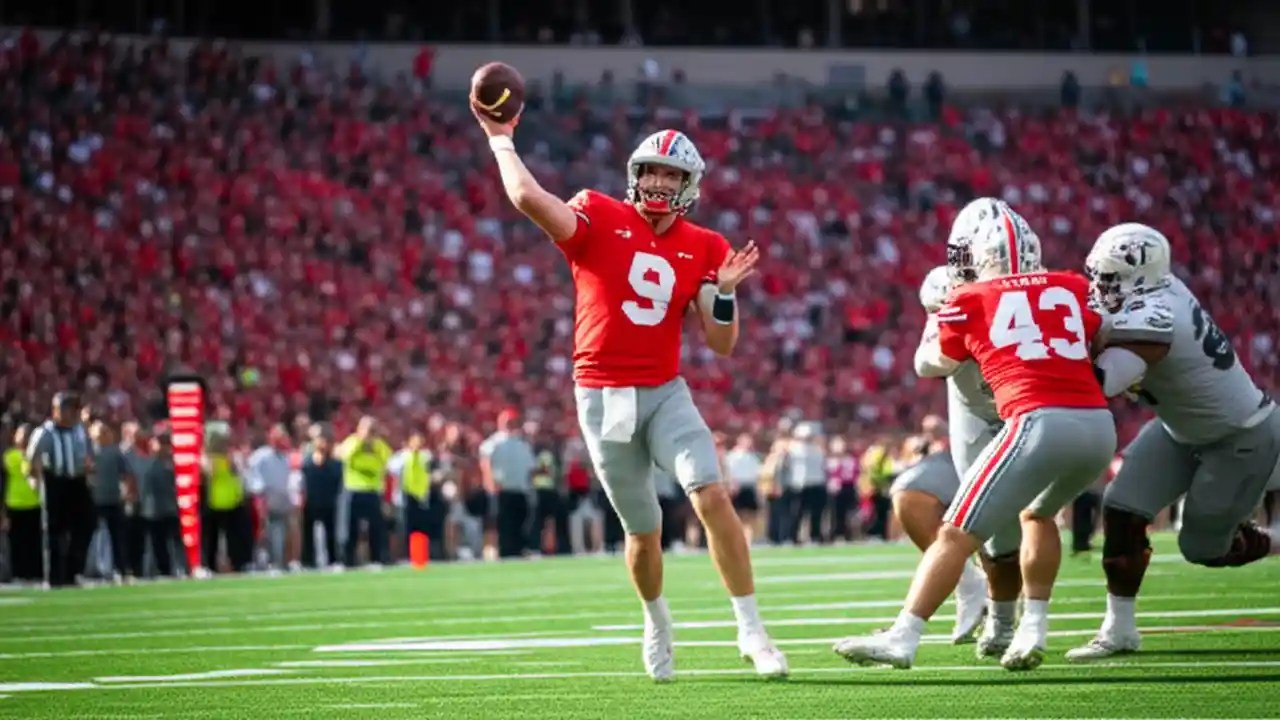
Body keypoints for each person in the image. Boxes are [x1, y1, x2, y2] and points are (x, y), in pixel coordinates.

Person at [475, 102, 787, 680]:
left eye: (672, 174)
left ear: (689, 184)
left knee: (710, 494)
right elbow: (528, 200)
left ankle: (751, 628)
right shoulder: (597, 213)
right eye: (652, 171)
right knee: (644, 533)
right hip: (603, 396)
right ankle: (656, 617)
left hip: (666, 390)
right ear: (635, 176)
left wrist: (722, 293)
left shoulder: (707, 245)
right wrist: (500, 139)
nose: (660, 182)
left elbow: (722, 344)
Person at [834, 198, 1115, 671]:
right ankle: (1032, 629)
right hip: (1096, 425)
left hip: (1034, 420)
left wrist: (950, 318)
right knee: (1039, 516)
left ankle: (904, 636)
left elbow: (930, 363)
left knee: (955, 532)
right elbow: (1099, 335)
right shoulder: (1070, 284)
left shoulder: (967, 297)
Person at [1067, 223, 1280, 660]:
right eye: (1099, 274)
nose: (1101, 286)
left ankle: (1273, 539)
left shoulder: (1156, 314)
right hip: (1179, 429)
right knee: (1122, 508)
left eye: (1111, 278)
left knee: (1203, 549)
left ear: (1141, 277)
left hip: (1239, 436)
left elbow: (1103, 382)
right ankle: (1119, 630)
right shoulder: (1146, 290)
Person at [888, 412, 987, 644]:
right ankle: (969, 582)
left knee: (1031, 517)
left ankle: (1025, 617)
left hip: (1027, 429)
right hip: (972, 444)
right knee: (909, 493)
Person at [26, 392, 95, 587]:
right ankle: (54, 577)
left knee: (86, 524)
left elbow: (88, 455)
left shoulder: (80, 430)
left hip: (77, 482)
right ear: (57, 410)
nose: (73, 414)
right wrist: (35, 480)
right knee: (54, 531)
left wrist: (89, 470)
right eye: (69, 409)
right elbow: (33, 459)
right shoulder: (45, 432)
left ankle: (73, 571)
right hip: (55, 481)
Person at [479, 408, 538, 559]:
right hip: (502, 490)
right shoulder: (495, 442)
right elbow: (485, 462)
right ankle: (504, 553)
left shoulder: (522, 443)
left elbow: (531, 468)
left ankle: (517, 551)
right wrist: (490, 482)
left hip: (520, 490)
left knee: (520, 523)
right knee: (503, 525)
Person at [337, 416, 392, 567]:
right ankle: (347, 561)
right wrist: (360, 442)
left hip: (372, 490)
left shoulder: (379, 445)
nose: (370, 433)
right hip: (353, 489)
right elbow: (343, 454)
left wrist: (374, 444)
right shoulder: (352, 441)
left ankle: (376, 559)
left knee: (375, 528)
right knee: (349, 529)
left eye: (373, 430)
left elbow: (388, 459)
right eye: (368, 429)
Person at [3, 424, 42, 582]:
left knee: (34, 541)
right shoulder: (8, 457)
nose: (24, 438)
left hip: (35, 503)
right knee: (17, 543)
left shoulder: (36, 457)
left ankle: (35, 572)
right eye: (21, 434)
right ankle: (18, 573)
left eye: (27, 435)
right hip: (14, 504)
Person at [300, 429, 343, 568]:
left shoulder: (336, 465)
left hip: (329, 504)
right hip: (310, 503)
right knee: (308, 535)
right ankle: (308, 562)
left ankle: (333, 561)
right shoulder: (306, 463)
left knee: (331, 535)